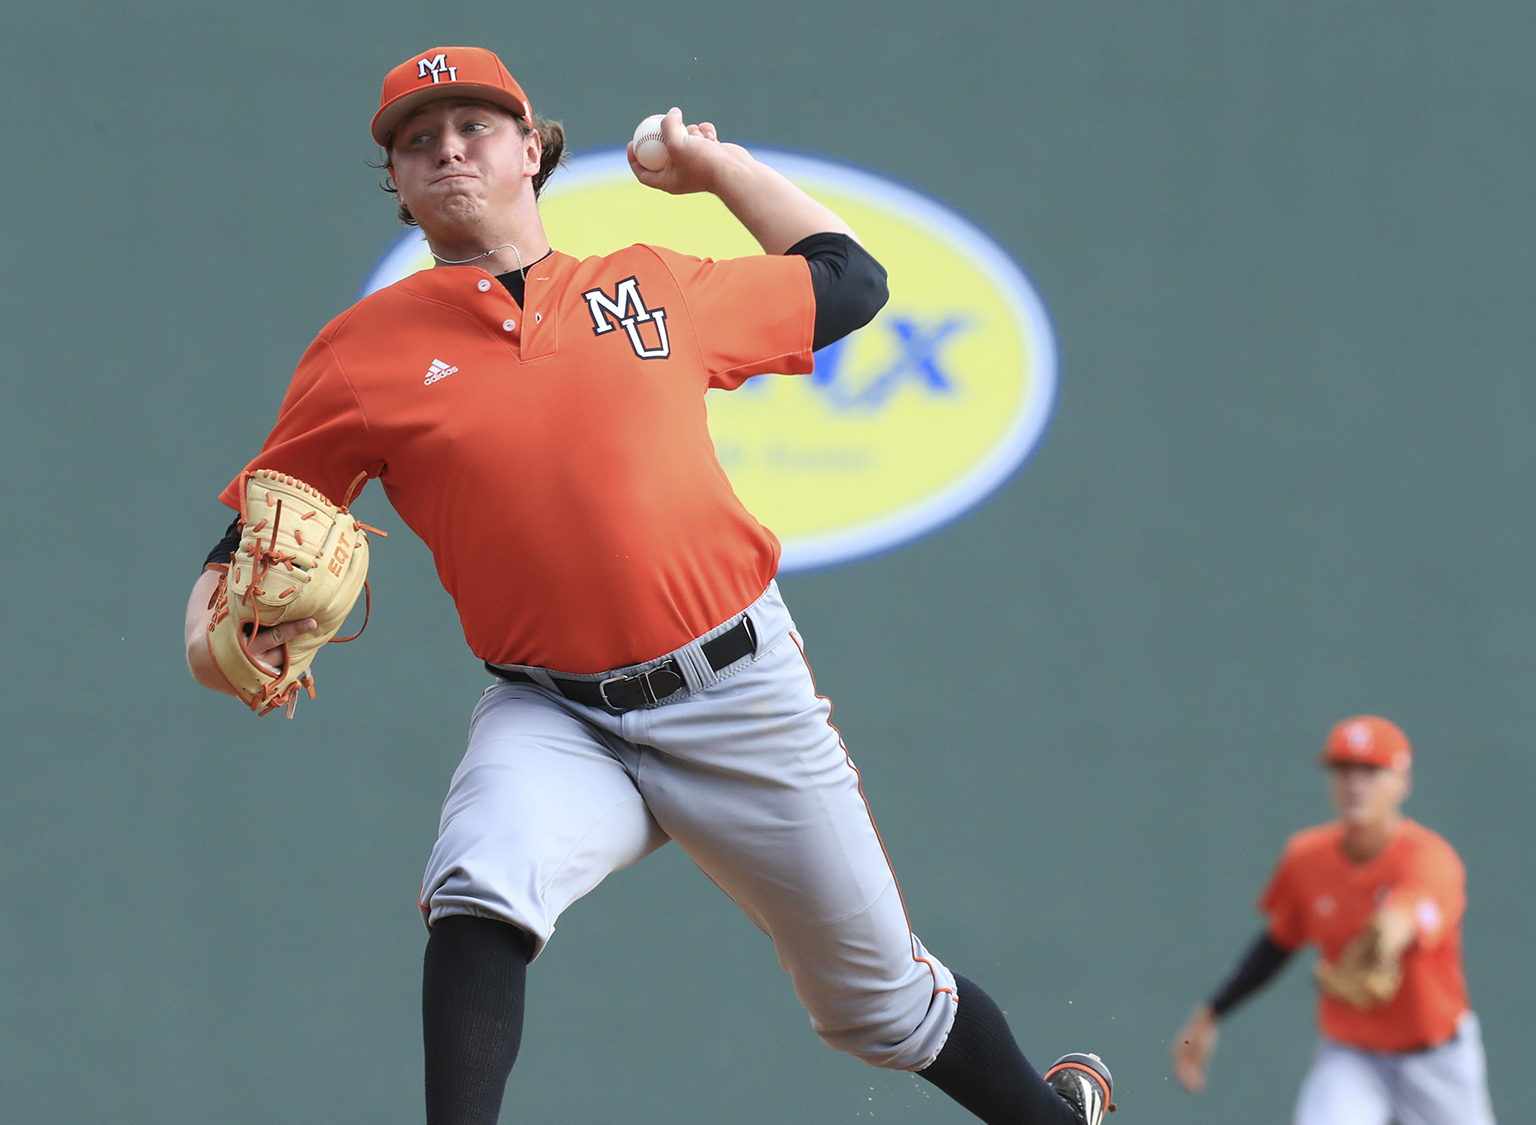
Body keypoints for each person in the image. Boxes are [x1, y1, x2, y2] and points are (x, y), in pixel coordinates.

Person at [187, 45, 1115, 1125]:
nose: (447, 151)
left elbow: (850, 281)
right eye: (416, 140)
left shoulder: (647, 287)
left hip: (736, 690)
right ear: (394, 179)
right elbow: (254, 526)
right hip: (554, 709)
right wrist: (207, 631)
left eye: (475, 127)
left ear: (533, 151)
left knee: (883, 1011)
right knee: (482, 878)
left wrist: (721, 171)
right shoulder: (362, 353)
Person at [1171, 715, 1494, 1124]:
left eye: (1370, 772)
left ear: (1403, 782)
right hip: (1352, 1056)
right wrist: (1213, 1011)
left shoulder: (1431, 858)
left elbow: (1403, 919)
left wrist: (1384, 943)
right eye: (1343, 771)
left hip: (1437, 1059)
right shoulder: (1305, 857)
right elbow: (1277, 944)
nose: (1354, 785)